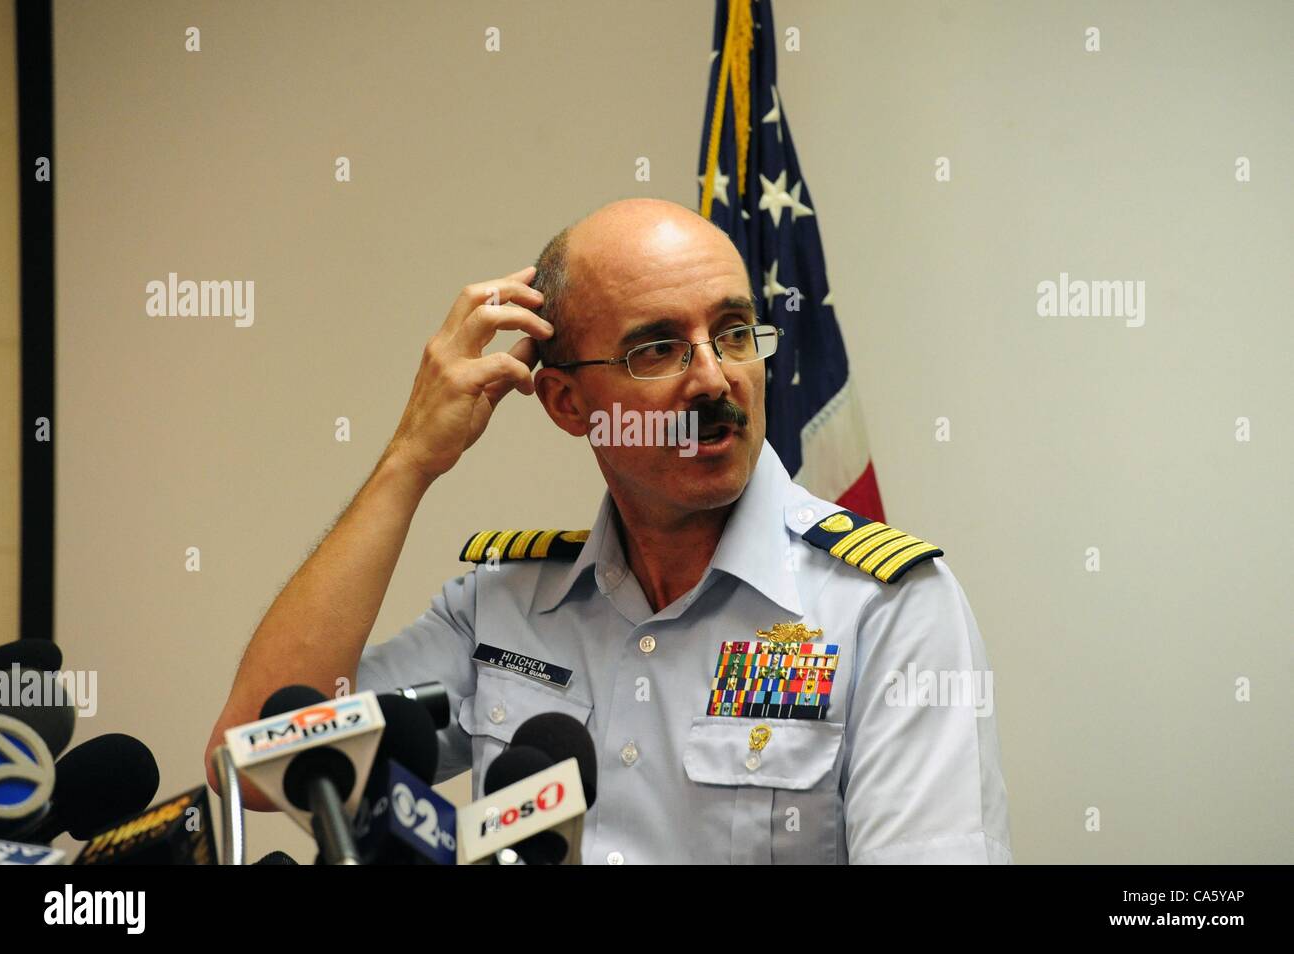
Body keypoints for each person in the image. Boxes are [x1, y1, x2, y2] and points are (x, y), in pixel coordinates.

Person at [205, 197, 1012, 864]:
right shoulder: (504, 610)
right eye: (657, 348)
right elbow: (253, 756)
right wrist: (409, 461)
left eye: (734, 332)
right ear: (564, 403)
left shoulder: (885, 611)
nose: (713, 377)